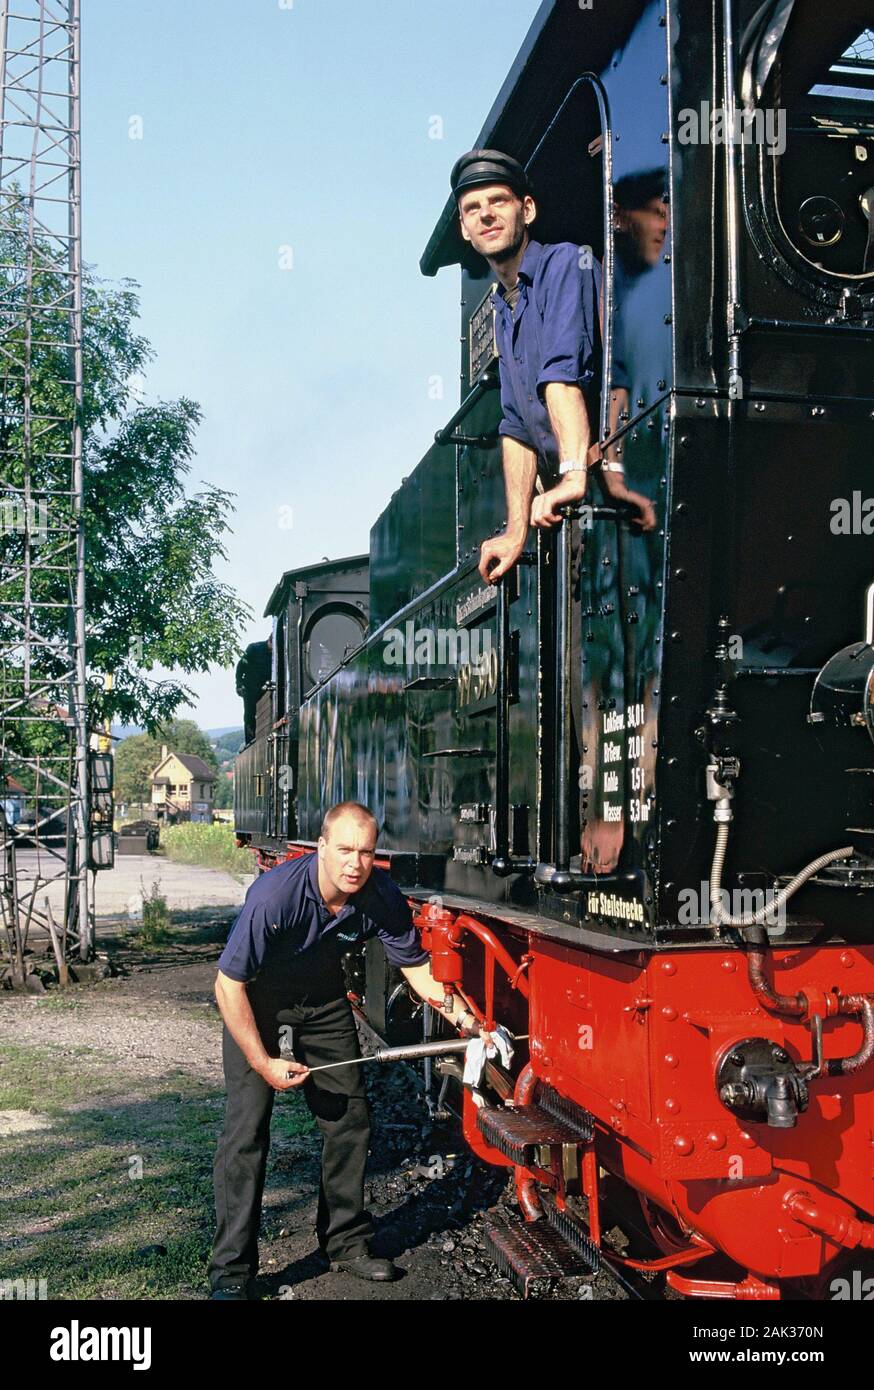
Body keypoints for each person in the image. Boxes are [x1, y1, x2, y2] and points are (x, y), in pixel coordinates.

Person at [208, 800, 488, 1299]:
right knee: (246, 1131)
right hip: (258, 997)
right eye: (344, 850)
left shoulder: (379, 894)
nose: (354, 862)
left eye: (365, 851)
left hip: (322, 996)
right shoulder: (276, 897)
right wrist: (263, 1061)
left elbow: (418, 969)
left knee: (350, 1121)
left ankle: (345, 1242)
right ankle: (232, 1274)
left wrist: (469, 1022)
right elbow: (228, 985)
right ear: (320, 847)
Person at [446, 149, 655, 586]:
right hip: (577, 496)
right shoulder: (506, 310)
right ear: (465, 230)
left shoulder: (564, 262)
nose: (486, 215)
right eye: (472, 209)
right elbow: (516, 428)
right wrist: (515, 529)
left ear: (527, 209)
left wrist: (572, 475)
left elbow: (562, 375)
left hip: (616, 480)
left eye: (498, 201)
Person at [235, 636, 272, 745]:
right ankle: (249, 741)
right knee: (249, 715)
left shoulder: (277, 652)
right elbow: (240, 666)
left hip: (265, 687)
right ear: (270, 641)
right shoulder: (254, 648)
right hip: (250, 687)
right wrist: (239, 684)